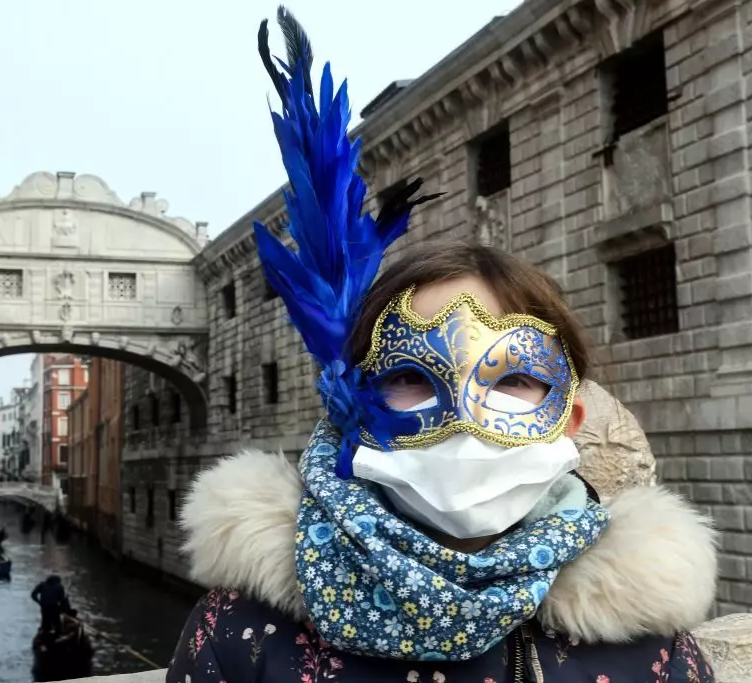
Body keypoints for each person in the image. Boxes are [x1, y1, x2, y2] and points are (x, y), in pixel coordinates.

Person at [166, 11, 720, 683]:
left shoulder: (645, 646)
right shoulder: (243, 633)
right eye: (411, 376)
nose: (464, 418)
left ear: (571, 417)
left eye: (514, 379)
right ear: (352, 411)